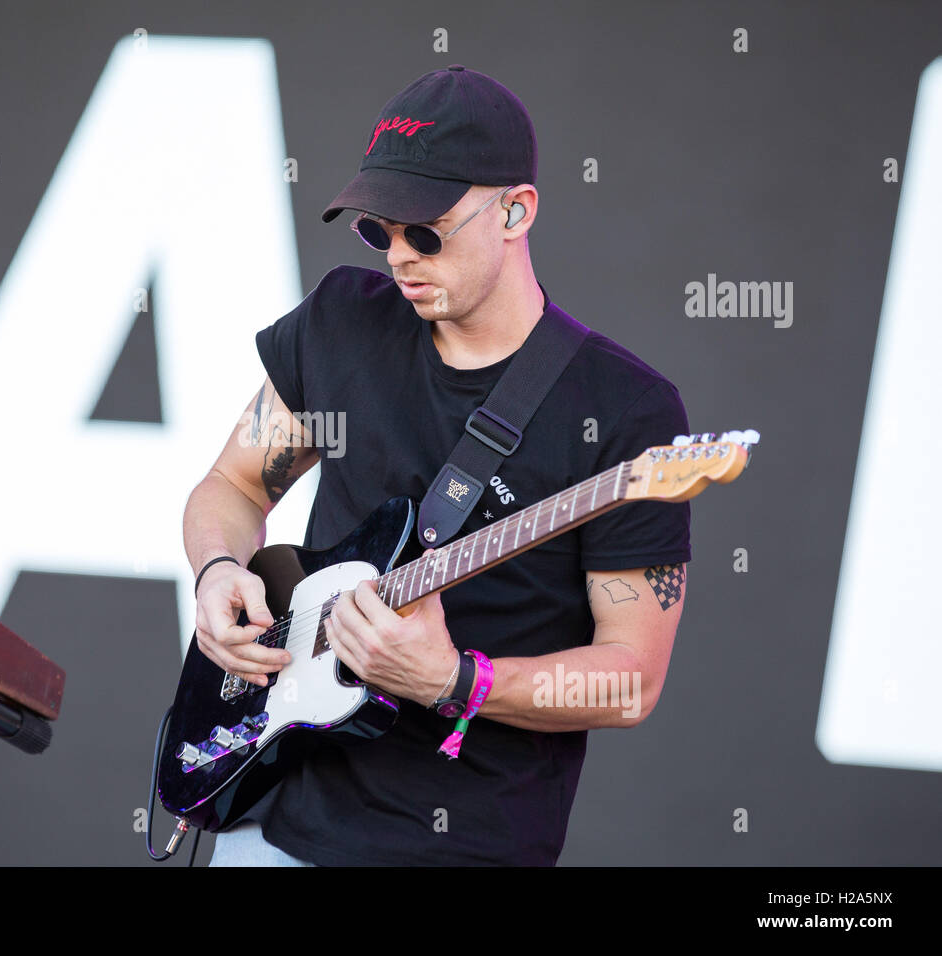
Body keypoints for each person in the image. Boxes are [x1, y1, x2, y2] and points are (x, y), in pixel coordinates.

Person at [183, 65, 691, 866]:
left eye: (425, 232)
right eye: (377, 232)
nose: (399, 257)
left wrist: (456, 682)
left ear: (515, 211)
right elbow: (234, 485)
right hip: (275, 812)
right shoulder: (342, 323)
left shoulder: (626, 412)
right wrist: (217, 570)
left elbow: (631, 680)